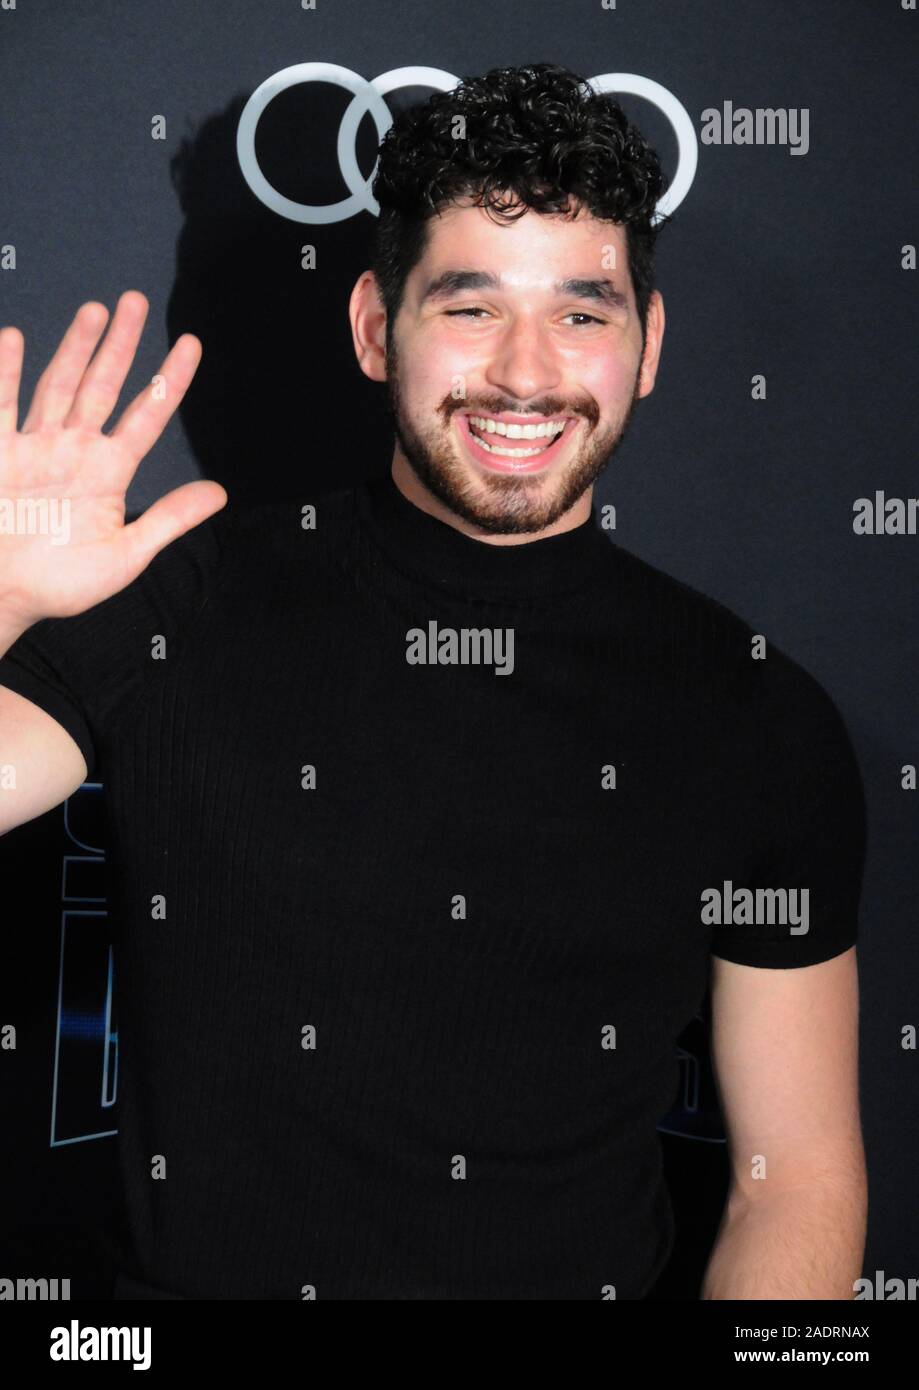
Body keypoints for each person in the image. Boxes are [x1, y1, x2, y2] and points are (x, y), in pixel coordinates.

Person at [0, 63, 867, 1300]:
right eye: (470, 307)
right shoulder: (178, 599)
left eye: (584, 312)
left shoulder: (759, 716)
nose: (526, 373)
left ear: (648, 344)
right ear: (372, 326)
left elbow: (796, 1182)